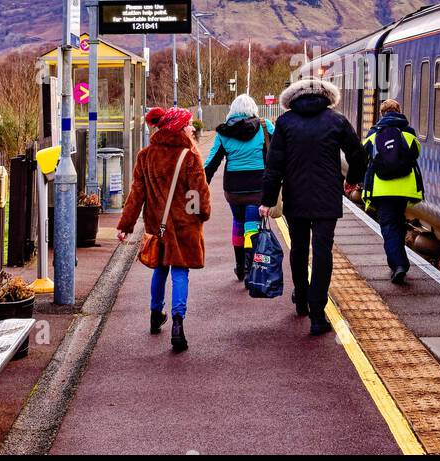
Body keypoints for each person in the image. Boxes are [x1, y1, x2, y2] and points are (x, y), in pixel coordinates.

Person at [260, 77, 366, 335]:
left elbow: (274, 166)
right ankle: (318, 314)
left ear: (292, 99)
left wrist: (267, 200)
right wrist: (351, 181)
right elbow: (359, 155)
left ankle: (301, 297)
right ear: (327, 97)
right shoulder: (336, 120)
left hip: (295, 195)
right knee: (322, 252)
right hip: (327, 196)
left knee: (298, 248)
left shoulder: (284, 123)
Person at [117, 107, 212, 353]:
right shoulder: (189, 156)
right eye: (189, 124)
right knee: (180, 272)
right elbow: (197, 194)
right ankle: (178, 323)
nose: (193, 128)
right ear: (179, 127)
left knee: (160, 269)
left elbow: (137, 194)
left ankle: (155, 313)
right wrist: (199, 214)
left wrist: (125, 226)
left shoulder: (145, 155)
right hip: (184, 226)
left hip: (156, 225)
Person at [204, 94, 275, 280]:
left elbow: (212, 161)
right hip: (258, 186)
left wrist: (201, 185)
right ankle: (250, 268)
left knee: (238, 223)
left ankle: (240, 267)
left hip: (233, 189)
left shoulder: (224, 132)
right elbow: (281, 151)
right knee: (252, 227)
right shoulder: (265, 126)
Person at [359, 99, 423, 283]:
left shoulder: (373, 134)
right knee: (399, 222)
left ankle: (399, 264)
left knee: (388, 226)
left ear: (381, 113)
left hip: (382, 189)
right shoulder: (409, 133)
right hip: (404, 188)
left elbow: (365, 155)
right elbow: (416, 152)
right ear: (399, 111)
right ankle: (396, 262)